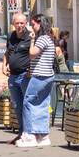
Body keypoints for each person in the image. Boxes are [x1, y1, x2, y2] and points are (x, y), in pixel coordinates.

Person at [18, 14, 58, 148]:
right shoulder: (49, 38)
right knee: (42, 104)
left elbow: (32, 53)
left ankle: (29, 135)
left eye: (33, 24)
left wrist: (32, 41)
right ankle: (43, 135)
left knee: (28, 101)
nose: (32, 27)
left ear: (40, 24)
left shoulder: (41, 39)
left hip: (40, 75)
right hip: (48, 75)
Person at [4, 11, 31, 145]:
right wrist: (4, 65)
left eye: (22, 23)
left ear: (26, 23)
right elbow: (7, 52)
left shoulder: (30, 37)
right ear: (13, 24)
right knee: (17, 106)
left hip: (24, 75)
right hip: (13, 76)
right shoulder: (11, 36)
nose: (19, 25)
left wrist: (31, 70)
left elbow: (35, 55)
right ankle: (21, 133)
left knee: (27, 105)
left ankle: (29, 133)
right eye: (17, 23)